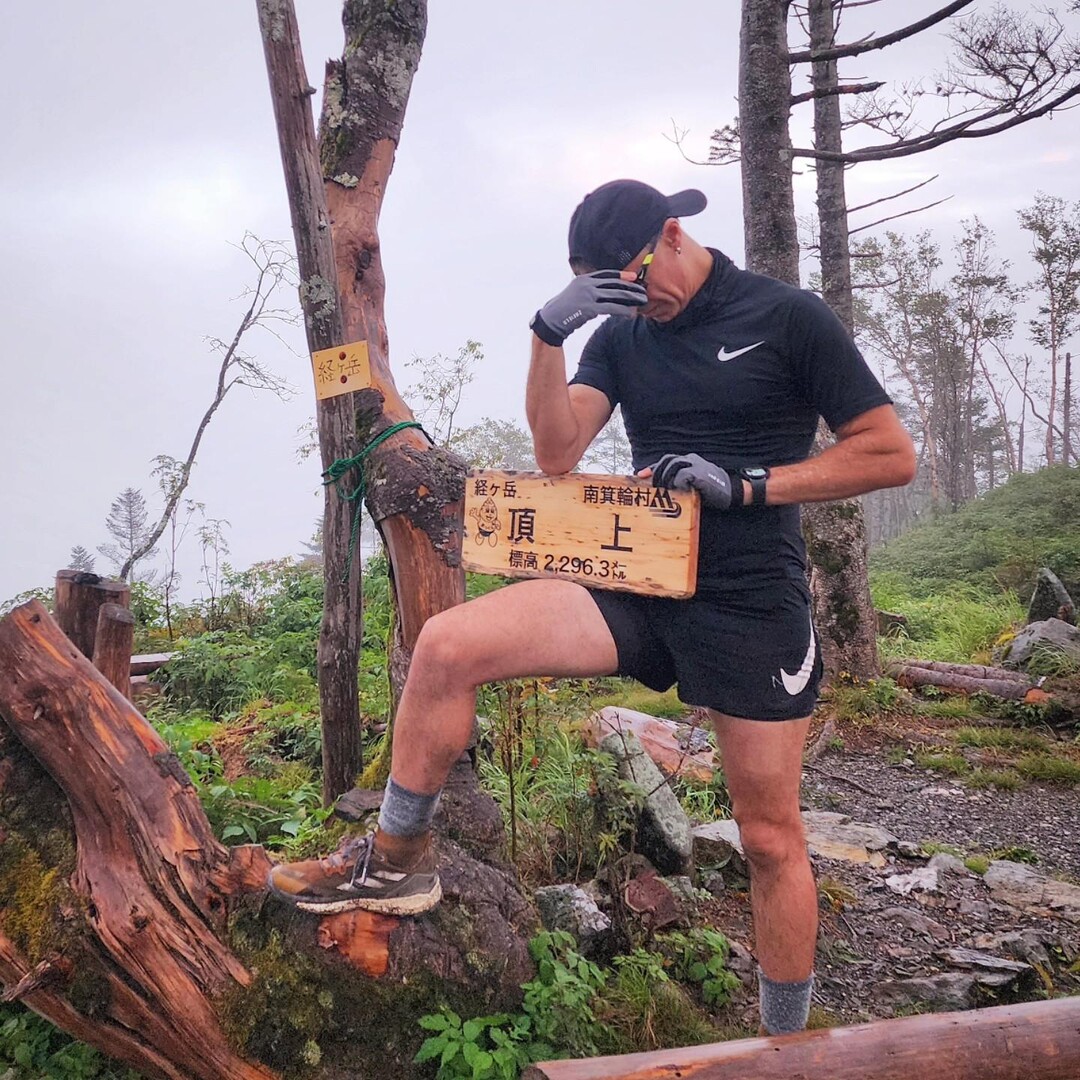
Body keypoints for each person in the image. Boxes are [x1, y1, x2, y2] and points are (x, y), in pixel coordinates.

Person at [268, 179, 916, 1036]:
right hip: (641, 576)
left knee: (767, 838)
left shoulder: (785, 317)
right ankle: (395, 861)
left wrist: (749, 486)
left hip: (751, 601)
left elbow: (889, 453)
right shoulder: (621, 336)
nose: (634, 302)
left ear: (672, 236)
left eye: (635, 279)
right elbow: (557, 450)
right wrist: (548, 334)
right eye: (608, 293)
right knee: (448, 647)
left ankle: (784, 1043)